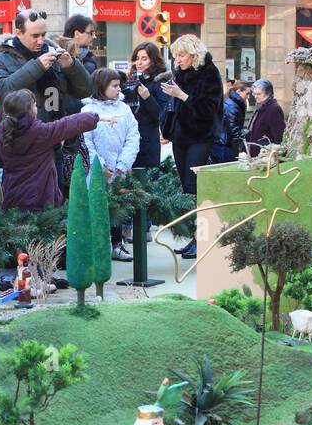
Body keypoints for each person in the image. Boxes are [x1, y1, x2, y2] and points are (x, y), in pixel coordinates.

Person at [0, 9, 92, 194]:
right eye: (34, 35)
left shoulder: (54, 54)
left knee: (55, 202)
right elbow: (3, 91)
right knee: (23, 207)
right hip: (19, 147)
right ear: (18, 33)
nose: (41, 41)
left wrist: (72, 66)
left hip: (53, 144)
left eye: (43, 34)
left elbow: (85, 90)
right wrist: (37, 66)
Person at [0, 88, 118, 212]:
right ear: (30, 111)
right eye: (35, 106)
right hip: (41, 201)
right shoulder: (42, 132)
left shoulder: (2, 130)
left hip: (12, 196)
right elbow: (70, 123)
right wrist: (99, 118)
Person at [159, 34, 222, 259]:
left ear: (194, 54)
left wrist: (182, 95)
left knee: (196, 189)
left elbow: (209, 109)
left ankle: (202, 240)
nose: (178, 59)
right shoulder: (180, 73)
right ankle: (194, 238)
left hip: (201, 136)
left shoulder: (209, 73)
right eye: (176, 55)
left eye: (182, 55)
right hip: (181, 136)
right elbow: (173, 106)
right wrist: (166, 131)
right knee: (187, 189)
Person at [82, 68, 141, 261]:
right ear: (102, 86)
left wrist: (122, 165)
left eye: (119, 86)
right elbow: (86, 142)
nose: (118, 89)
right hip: (96, 171)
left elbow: (133, 137)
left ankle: (117, 244)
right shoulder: (88, 110)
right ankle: (96, 247)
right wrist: (100, 166)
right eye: (114, 86)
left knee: (117, 208)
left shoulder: (124, 109)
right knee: (97, 207)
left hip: (119, 169)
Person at [125, 41, 169, 171]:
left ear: (153, 61)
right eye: (137, 59)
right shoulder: (131, 81)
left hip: (148, 141)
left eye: (144, 59)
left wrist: (147, 98)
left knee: (146, 181)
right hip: (130, 139)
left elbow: (161, 114)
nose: (139, 63)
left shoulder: (159, 83)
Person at [245, 79, 285, 156]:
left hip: (265, 155)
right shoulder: (260, 107)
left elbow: (278, 137)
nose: (256, 97)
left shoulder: (274, 109)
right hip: (256, 153)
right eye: (254, 94)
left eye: (259, 94)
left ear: (268, 94)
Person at [213, 78, 249, 164]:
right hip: (224, 145)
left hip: (223, 143)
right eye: (247, 94)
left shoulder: (234, 103)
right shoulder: (232, 105)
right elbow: (233, 129)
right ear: (239, 91)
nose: (248, 97)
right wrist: (244, 136)